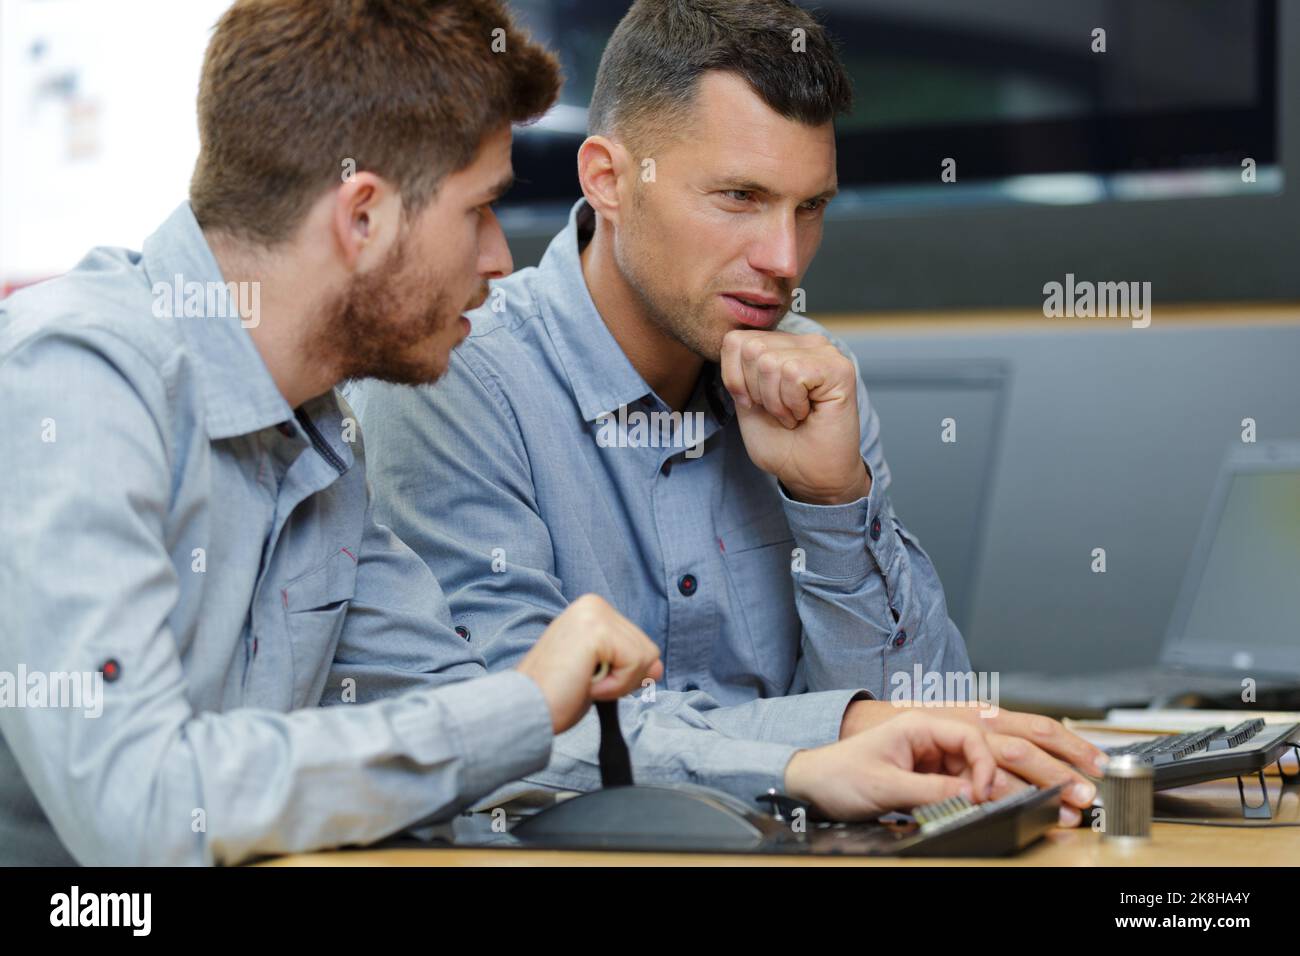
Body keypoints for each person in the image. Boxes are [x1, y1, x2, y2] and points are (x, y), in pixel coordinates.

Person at [351, 0, 1106, 826]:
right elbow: (516, 736)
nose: (783, 261)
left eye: (809, 207)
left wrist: (833, 500)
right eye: (740, 197)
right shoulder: (454, 381)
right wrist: (832, 735)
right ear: (608, 179)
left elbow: (927, 733)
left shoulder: (810, 374)